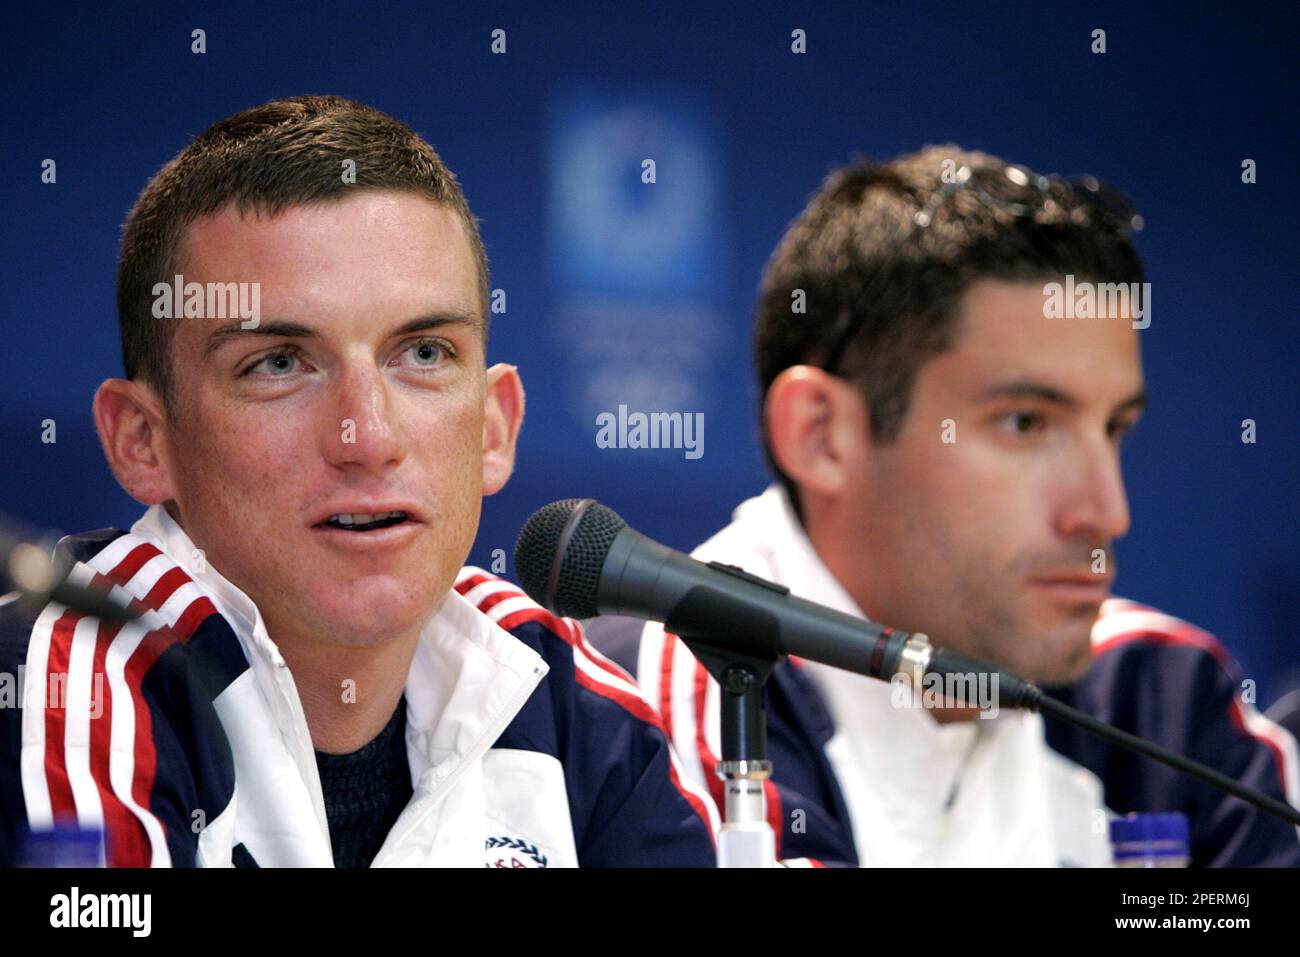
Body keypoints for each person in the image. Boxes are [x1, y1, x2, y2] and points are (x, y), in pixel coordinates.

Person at [0, 95, 718, 868]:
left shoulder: (567, 701)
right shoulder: (61, 682)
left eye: (424, 354)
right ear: (143, 440)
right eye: (279, 363)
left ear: (495, 425)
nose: (367, 437)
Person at [589, 146, 1300, 867]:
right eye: (1026, 423)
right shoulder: (657, 703)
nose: (1106, 512)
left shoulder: (1160, 700)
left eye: (1114, 428)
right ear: (821, 434)